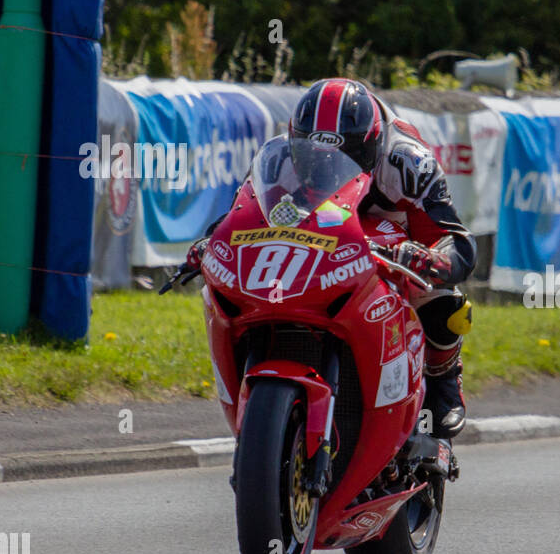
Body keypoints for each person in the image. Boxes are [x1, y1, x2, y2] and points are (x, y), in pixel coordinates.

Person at [189, 78, 476, 438]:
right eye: (313, 155)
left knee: (441, 304)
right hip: (319, 226)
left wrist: (432, 258)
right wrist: (210, 243)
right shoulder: (279, 158)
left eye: (346, 156)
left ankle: (444, 379)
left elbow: (455, 239)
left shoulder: (407, 161)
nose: (327, 166)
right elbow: (242, 214)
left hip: (394, 232)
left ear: (373, 145)